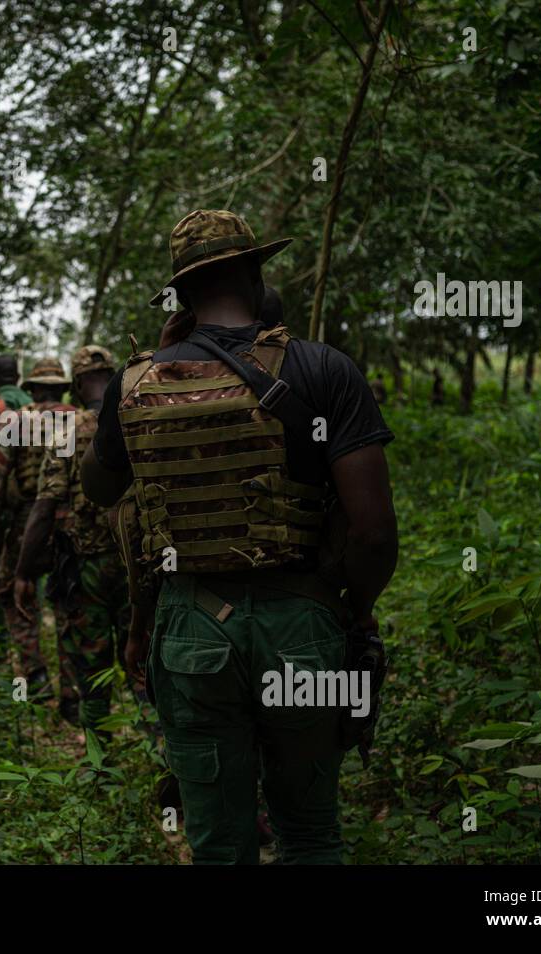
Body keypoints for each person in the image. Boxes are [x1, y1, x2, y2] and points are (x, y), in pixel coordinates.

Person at [81, 209, 398, 864]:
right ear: (256, 273)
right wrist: (353, 613)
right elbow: (372, 535)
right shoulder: (325, 370)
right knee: (310, 833)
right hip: (304, 628)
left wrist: (161, 361)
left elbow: (101, 491)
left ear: (183, 294)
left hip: (193, 632)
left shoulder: (134, 384)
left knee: (219, 844)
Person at [13, 345, 128, 731]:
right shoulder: (138, 419)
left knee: (92, 664)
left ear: (77, 385)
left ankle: (100, 756)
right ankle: (157, 744)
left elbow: (45, 507)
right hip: (139, 565)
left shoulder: (68, 432)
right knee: (145, 664)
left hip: (88, 566)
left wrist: (24, 572)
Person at [0, 357, 73, 695]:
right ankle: (72, 685)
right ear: (62, 388)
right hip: (70, 524)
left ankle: (36, 673)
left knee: (14, 594)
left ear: (30, 388)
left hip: (24, 522)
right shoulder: (78, 421)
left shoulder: (15, 422)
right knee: (68, 600)